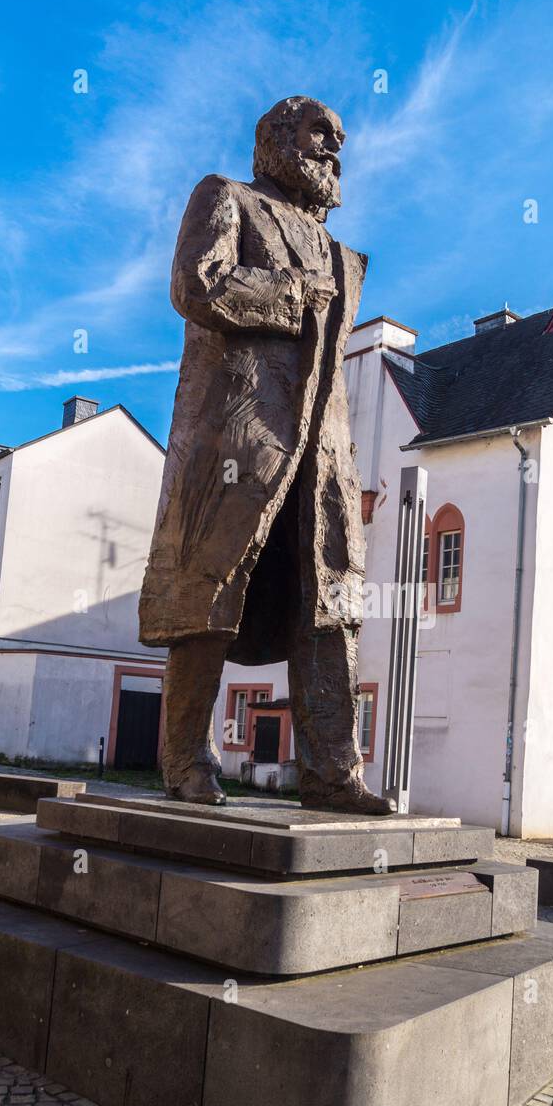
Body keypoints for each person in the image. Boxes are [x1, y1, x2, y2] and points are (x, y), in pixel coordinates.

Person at [138, 97, 394, 814]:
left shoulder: (344, 255)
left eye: (339, 141)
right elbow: (197, 283)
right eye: (320, 134)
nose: (333, 150)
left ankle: (331, 772)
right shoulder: (227, 197)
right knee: (209, 592)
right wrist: (294, 296)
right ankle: (186, 762)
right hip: (239, 439)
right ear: (276, 139)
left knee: (330, 603)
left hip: (321, 450)